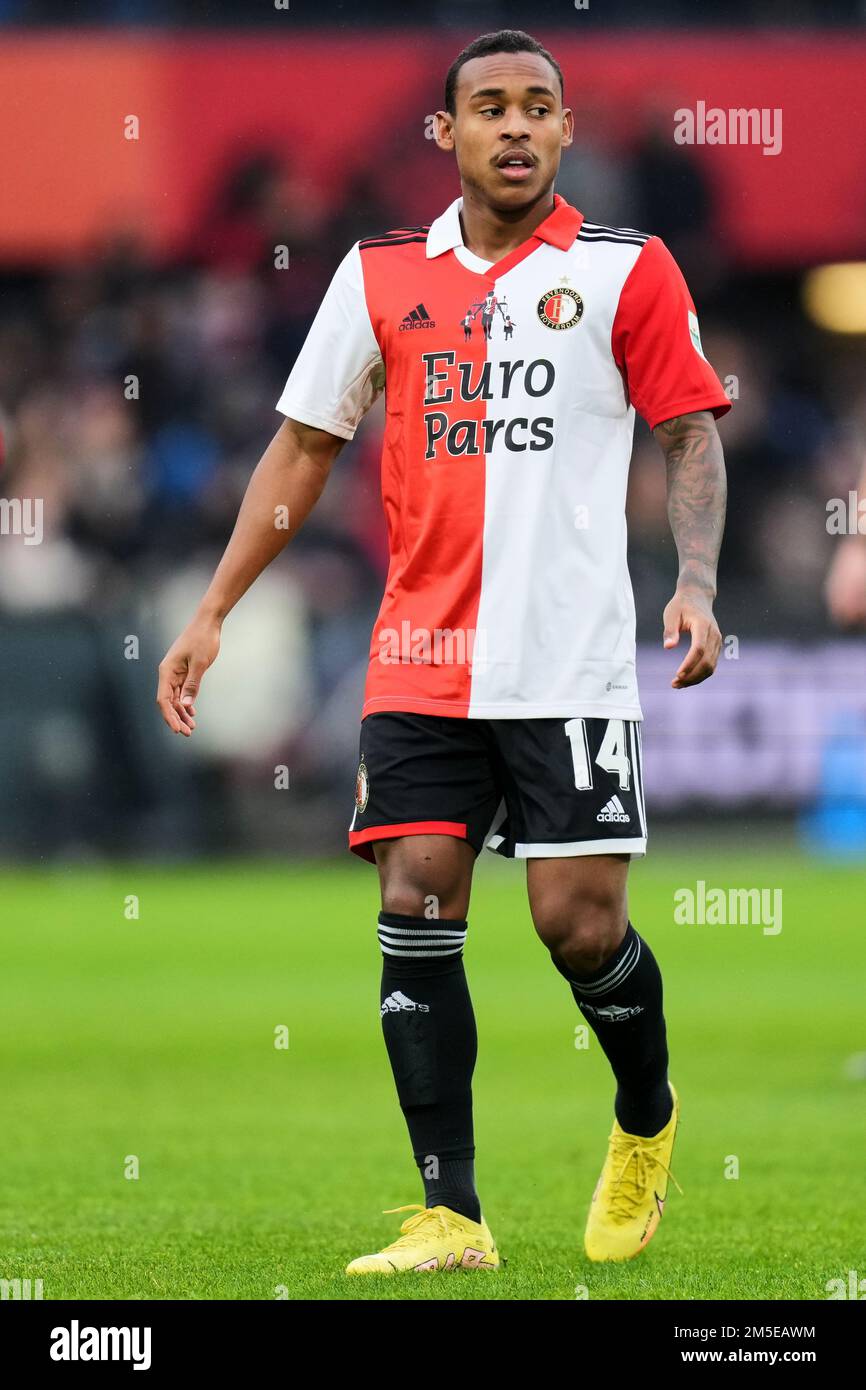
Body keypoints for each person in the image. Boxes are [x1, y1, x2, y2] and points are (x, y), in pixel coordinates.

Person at [156, 27, 731, 1277]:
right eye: (489, 108)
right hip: (419, 654)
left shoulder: (627, 270)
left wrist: (692, 582)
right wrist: (213, 608)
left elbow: (688, 432)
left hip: (569, 659)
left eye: (538, 107)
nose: (515, 126)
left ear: (565, 132)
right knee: (414, 898)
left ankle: (643, 1116)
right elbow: (305, 447)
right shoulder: (374, 277)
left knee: (576, 930)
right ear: (447, 135)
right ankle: (449, 1213)